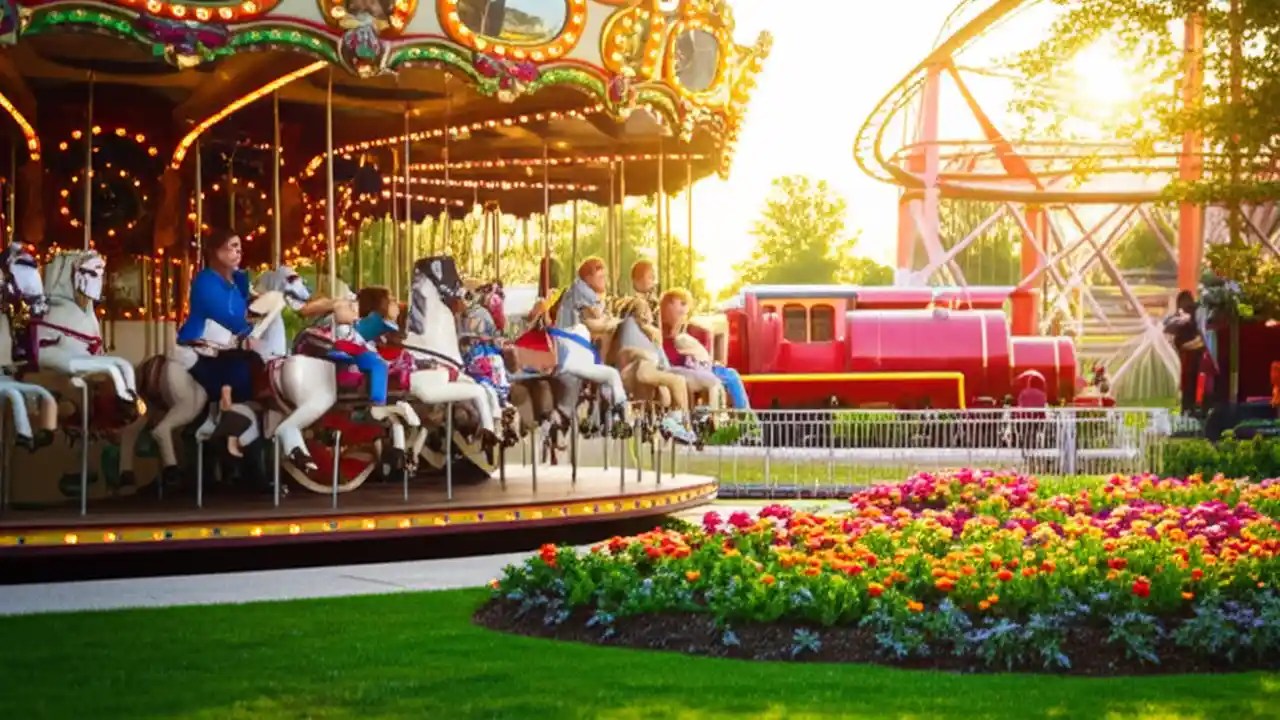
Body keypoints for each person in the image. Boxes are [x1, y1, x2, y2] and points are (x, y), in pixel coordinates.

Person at [177, 229, 261, 454]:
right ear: (216, 250)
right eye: (233, 247)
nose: (238, 252)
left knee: (254, 365)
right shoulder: (205, 281)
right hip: (202, 345)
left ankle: (230, 415)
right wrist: (248, 329)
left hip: (228, 347)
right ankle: (222, 408)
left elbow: (247, 307)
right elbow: (224, 313)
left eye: (240, 248)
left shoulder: (236, 282)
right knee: (238, 366)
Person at [660, 287, 751, 410]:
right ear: (668, 306)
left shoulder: (681, 335)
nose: (684, 311)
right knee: (730, 376)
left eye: (685, 307)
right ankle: (744, 415)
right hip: (692, 370)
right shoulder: (667, 338)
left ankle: (743, 414)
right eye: (681, 304)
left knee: (731, 375)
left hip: (697, 368)